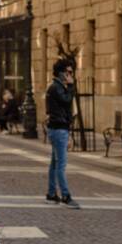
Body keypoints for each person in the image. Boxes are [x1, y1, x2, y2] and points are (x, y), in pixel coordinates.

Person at [45, 58, 79, 207]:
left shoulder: (56, 87)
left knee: (54, 163)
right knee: (61, 165)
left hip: (57, 128)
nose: (71, 75)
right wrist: (71, 86)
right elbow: (67, 101)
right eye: (69, 72)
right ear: (62, 73)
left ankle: (52, 193)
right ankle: (66, 195)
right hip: (59, 129)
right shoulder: (57, 88)